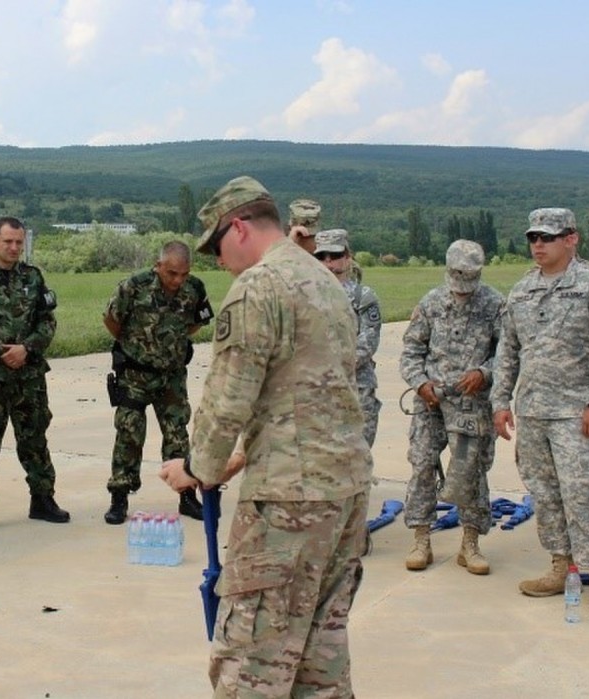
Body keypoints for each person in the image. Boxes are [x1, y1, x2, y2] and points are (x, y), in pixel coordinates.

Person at [159, 176, 371, 696]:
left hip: (288, 500)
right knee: (321, 658)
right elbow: (306, 392)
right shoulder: (325, 281)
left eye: (217, 247)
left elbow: (228, 398)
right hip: (344, 490)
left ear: (239, 227)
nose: (219, 260)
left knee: (253, 662)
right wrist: (237, 459)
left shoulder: (258, 287)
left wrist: (198, 467)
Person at [493, 207, 589, 618]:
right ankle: (561, 565)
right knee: (546, 494)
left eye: (547, 237)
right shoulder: (521, 291)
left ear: (572, 238)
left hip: (578, 413)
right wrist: (501, 402)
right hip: (534, 411)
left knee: (584, 493)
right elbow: (508, 352)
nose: (538, 245)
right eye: (533, 238)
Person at [399, 240, 504, 574]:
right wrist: (420, 384)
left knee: (471, 472)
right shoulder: (431, 303)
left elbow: (509, 354)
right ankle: (421, 539)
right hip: (431, 401)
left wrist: (484, 373)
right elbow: (411, 351)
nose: (462, 288)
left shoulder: (495, 305)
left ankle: (470, 544)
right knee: (422, 465)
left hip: (472, 404)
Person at [0, 216, 70, 532]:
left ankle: (43, 499)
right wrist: (1, 351)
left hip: (29, 374)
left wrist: (26, 349)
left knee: (34, 438)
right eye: (7, 241)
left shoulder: (33, 277)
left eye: (18, 242)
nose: (13, 248)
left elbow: (47, 321)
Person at [102, 241, 212, 525]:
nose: (178, 280)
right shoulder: (133, 287)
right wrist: (136, 345)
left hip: (172, 376)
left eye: (183, 274)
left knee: (177, 433)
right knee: (129, 432)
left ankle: (187, 495)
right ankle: (119, 496)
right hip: (135, 374)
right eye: (172, 273)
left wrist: (172, 343)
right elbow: (112, 321)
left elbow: (196, 323)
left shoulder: (195, 289)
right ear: (158, 265)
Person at [315, 228, 382, 446]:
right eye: (321, 257)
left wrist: (336, 365)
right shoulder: (306, 296)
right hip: (317, 389)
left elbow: (367, 342)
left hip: (357, 387)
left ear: (347, 257)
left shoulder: (363, 297)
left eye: (334, 256)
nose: (328, 263)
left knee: (357, 458)